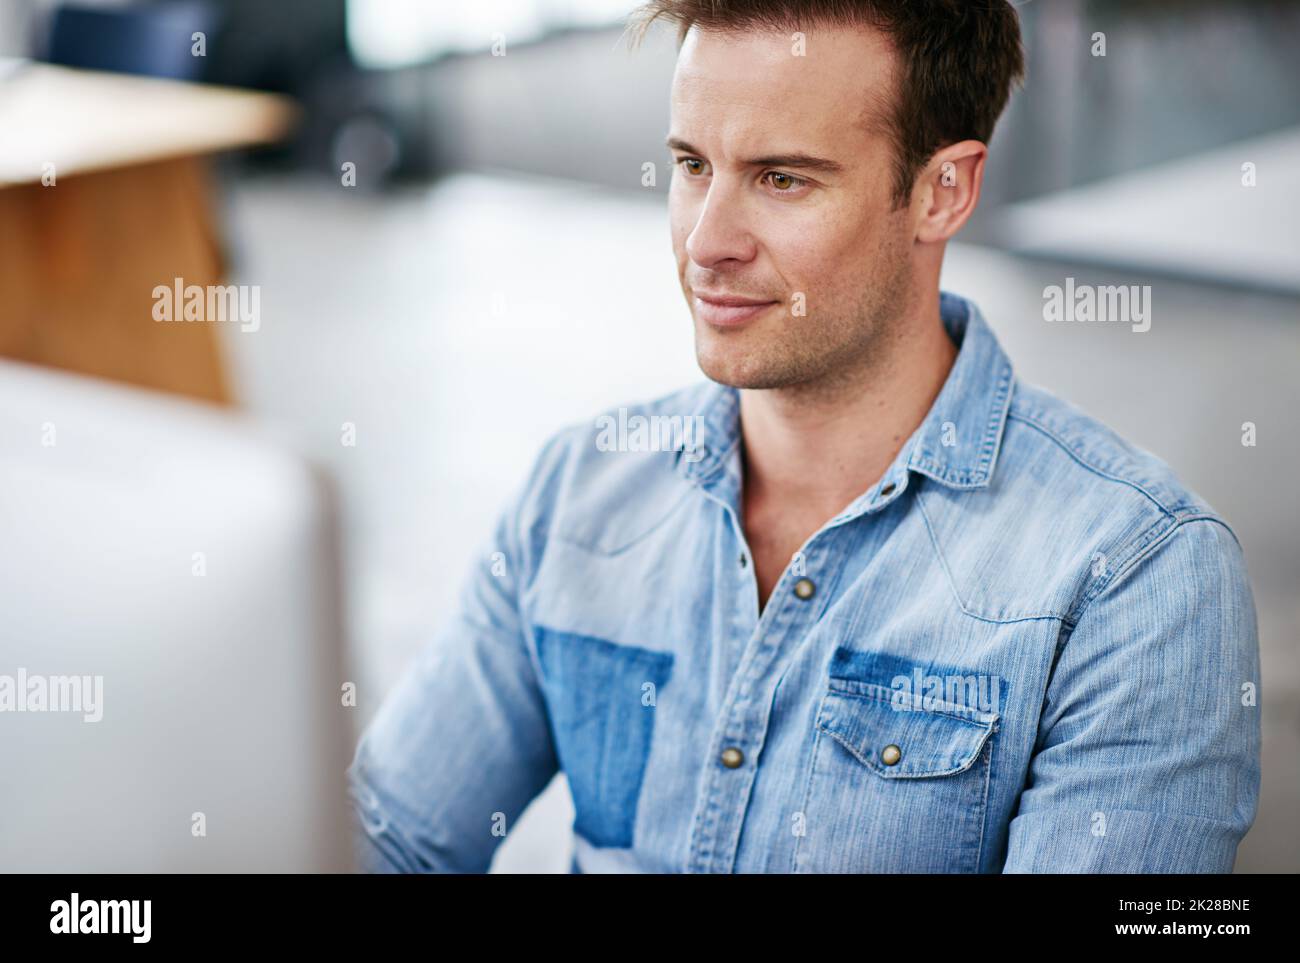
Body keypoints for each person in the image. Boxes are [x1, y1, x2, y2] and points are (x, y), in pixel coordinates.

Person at [347, 0, 1260, 873]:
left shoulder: (1136, 580)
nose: (707, 244)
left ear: (943, 190)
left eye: (781, 178)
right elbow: (391, 837)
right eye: (693, 165)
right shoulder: (582, 491)